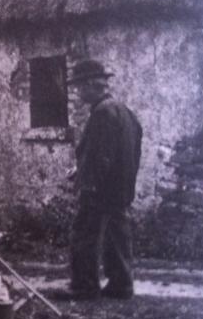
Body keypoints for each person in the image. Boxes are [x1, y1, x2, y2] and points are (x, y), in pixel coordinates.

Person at [59, 59, 142, 300]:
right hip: (120, 187)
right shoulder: (125, 111)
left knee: (84, 233)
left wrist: (89, 184)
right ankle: (121, 285)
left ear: (92, 86)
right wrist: (82, 168)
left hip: (99, 188)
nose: (78, 92)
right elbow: (129, 150)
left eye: (80, 87)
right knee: (118, 235)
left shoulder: (102, 113)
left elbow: (101, 155)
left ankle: (84, 286)